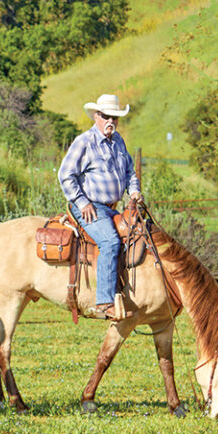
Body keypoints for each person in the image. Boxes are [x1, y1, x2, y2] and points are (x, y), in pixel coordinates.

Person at [58, 93, 142, 320]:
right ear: (96, 116)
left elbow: (129, 172)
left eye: (115, 117)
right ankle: (104, 302)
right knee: (110, 242)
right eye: (106, 116)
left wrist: (134, 190)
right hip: (89, 206)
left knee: (136, 236)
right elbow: (65, 175)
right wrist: (82, 201)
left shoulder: (119, 142)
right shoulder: (84, 142)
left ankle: (123, 295)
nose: (111, 121)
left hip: (112, 207)